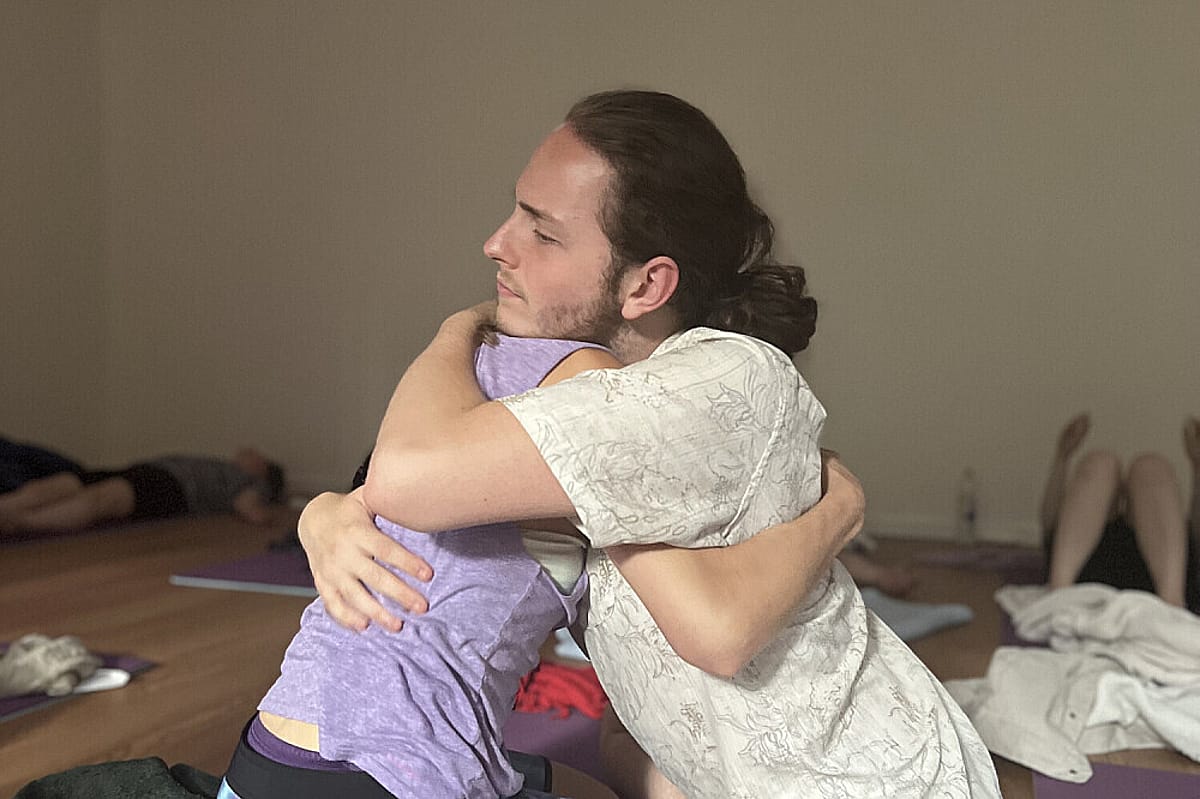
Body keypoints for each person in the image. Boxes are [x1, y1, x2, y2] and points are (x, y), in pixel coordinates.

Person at [301, 90, 1001, 798]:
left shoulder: (725, 373)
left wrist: (462, 323)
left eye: (543, 233)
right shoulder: (594, 407)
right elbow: (411, 496)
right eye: (516, 211)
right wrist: (324, 515)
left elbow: (718, 630)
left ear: (647, 284)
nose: (496, 243)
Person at [221, 333, 623, 799]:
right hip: (399, 779)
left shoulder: (458, 382)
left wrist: (460, 326)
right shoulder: (591, 388)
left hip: (262, 760)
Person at [1041, 412, 1200, 612]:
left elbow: (1196, 537)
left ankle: (1171, 606)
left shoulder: (1169, 542)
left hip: (1161, 587)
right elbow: (1049, 527)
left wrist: (1197, 467)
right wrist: (1062, 457)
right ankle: (1059, 592)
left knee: (1150, 467)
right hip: (1081, 579)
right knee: (1100, 463)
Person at [0, 448, 286, 535]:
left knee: (103, 498)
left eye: (257, 456)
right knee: (69, 481)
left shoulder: (251, 483)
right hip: (146, 469)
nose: (248, 452)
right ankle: (7, 507)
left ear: (263, 470)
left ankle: (17, 523)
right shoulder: (223, 464)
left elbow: (253, 512)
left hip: (171, 487)